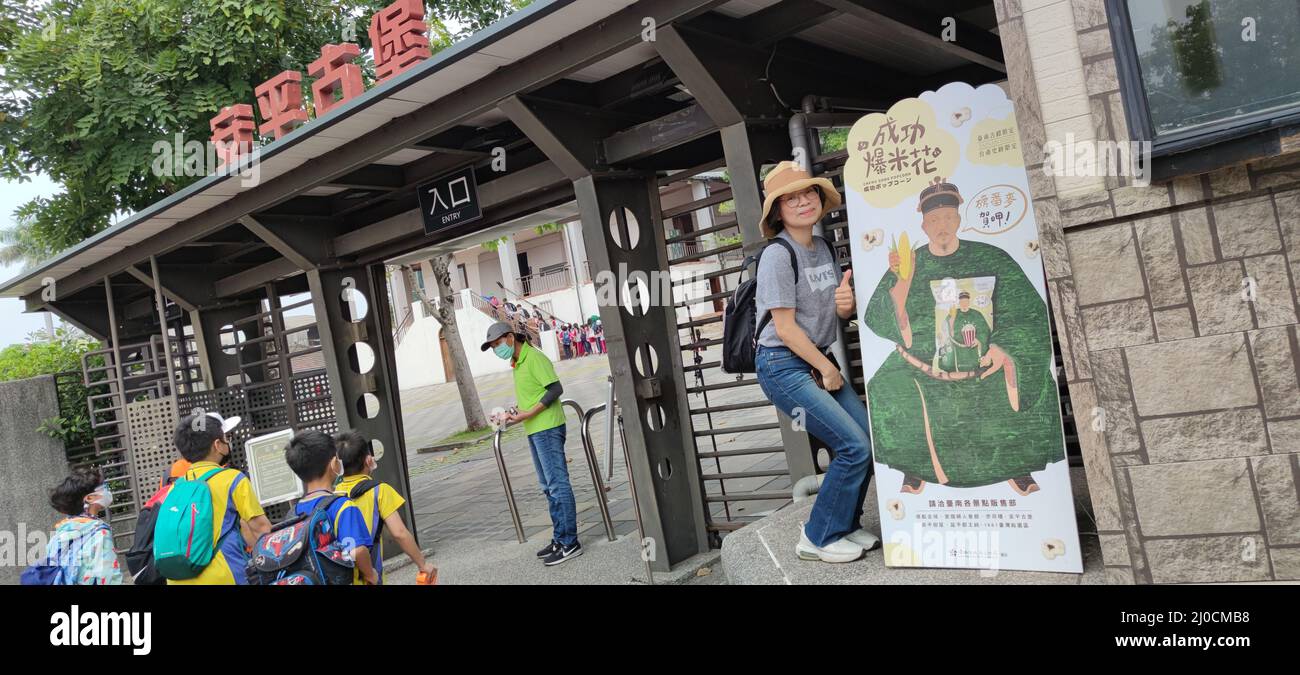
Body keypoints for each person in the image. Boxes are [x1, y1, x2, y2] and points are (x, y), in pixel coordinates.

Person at [862, 178, 1063, 496]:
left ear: (957, 220)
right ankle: (915, 468)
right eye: (933, 220)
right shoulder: (909, 264)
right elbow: (875, 314)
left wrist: (1003, 348)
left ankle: (1014, 467)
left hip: (983, 364)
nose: (941, 225)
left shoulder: (992, 257)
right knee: (885, 386)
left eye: (947, 218)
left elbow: (1028, 311)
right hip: (924, 366)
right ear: (924, 226)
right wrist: (899, 290)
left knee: (1028, 382)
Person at [752, 160, 877, 564]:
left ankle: (844, 524)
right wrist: (826, 368)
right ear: (777, 211)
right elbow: (785, 329)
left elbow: (830, 314)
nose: (802, 201)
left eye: (808, 193)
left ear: (819, 198)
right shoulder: (776, 255)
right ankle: (818, 536)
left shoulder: (822, 248)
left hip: (813, 360)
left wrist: (846, 307)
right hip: (783, 365)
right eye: (790, 198)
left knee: (868, 441)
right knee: (853, 446)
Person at [481, 321, 582, 566]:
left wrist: (528, 414)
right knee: (548, 487)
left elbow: (555, 389)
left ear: (509, 337)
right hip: (535, 429)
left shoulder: (533, 357)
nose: (496, 349)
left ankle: (570, 542)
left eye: (497, 343)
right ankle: (560, 538)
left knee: (558, 485)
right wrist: (510, 415)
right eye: (493, 346)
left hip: (547, 428)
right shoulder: (518, 363)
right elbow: (531, 399)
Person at [165, 411, 272, 584]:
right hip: (224, 574)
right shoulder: (232, 479)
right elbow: (261, 530)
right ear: (217, 444)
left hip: (179, 578)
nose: (228, 441)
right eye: (225, 438)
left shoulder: (175, 488)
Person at [333, 430, 436, 585]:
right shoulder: (379, 491)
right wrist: (423, 564)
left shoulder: (333, 494)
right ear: (369, 460)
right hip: (370, 575)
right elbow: (399, 533)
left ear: (338, 466)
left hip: (340, 576)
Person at [284, 430, 377, 585]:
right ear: (334, 463)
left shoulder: (293, 513)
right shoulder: (343, 506)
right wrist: (370, 574)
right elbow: (357, 550)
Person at [38, 468, 123, 585]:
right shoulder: (98, 533)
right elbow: (109, 577)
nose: (107, 491)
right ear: (89, 498)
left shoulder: (60, 533)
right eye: (104, 488)